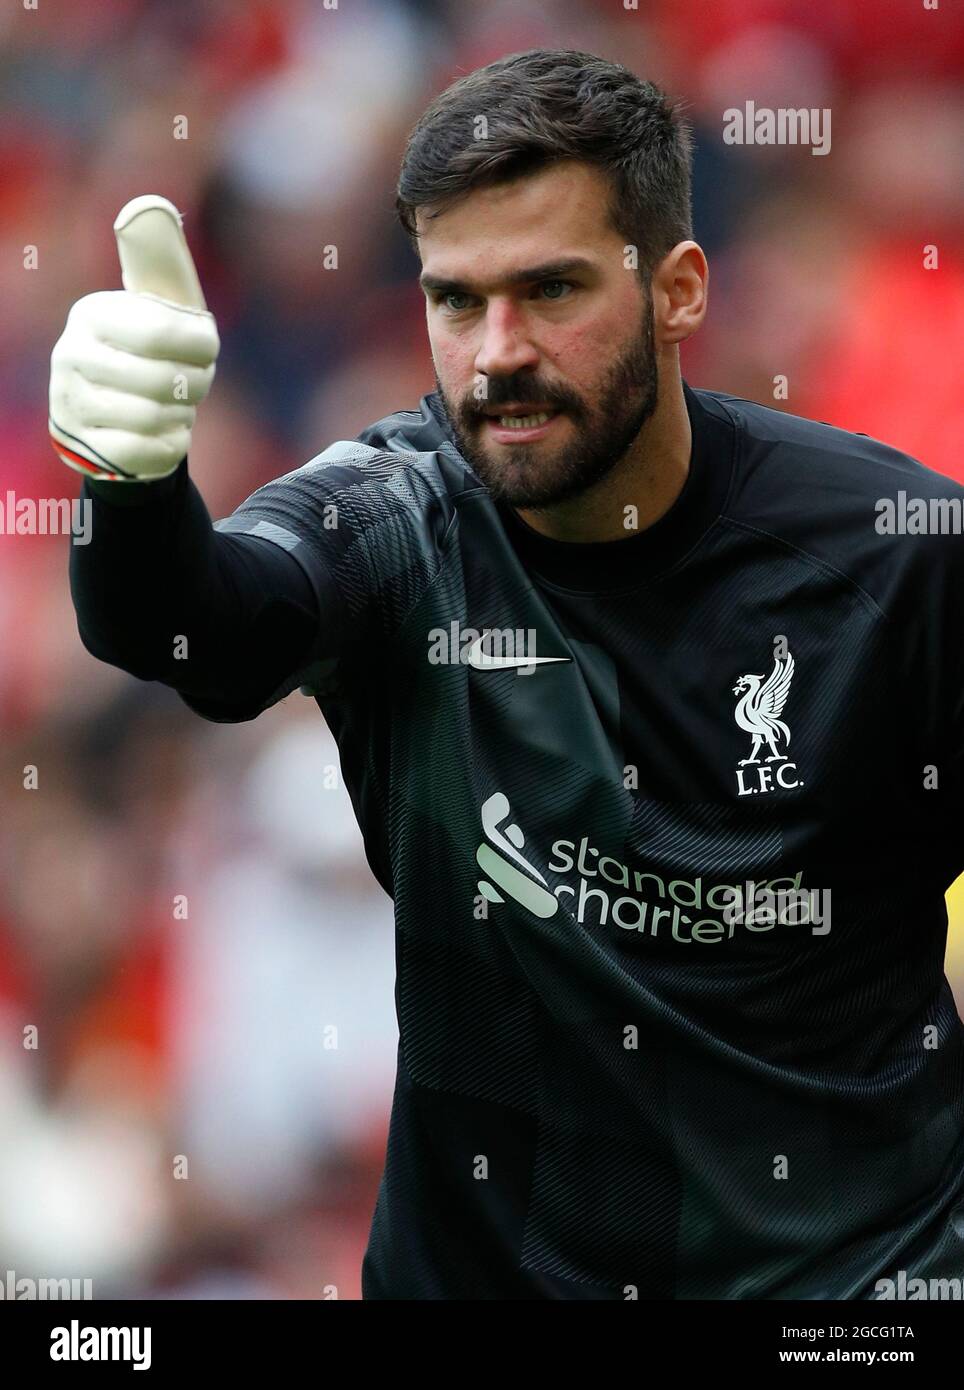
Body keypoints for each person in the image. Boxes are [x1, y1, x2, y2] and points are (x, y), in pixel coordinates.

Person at [54, 49, 964, 1300]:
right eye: (456, 299)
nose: (497, 354)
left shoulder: (897, 558)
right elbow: (191, 632)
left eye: (549, 290)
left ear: (679, 291)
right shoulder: (393, 522)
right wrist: (132, 485)